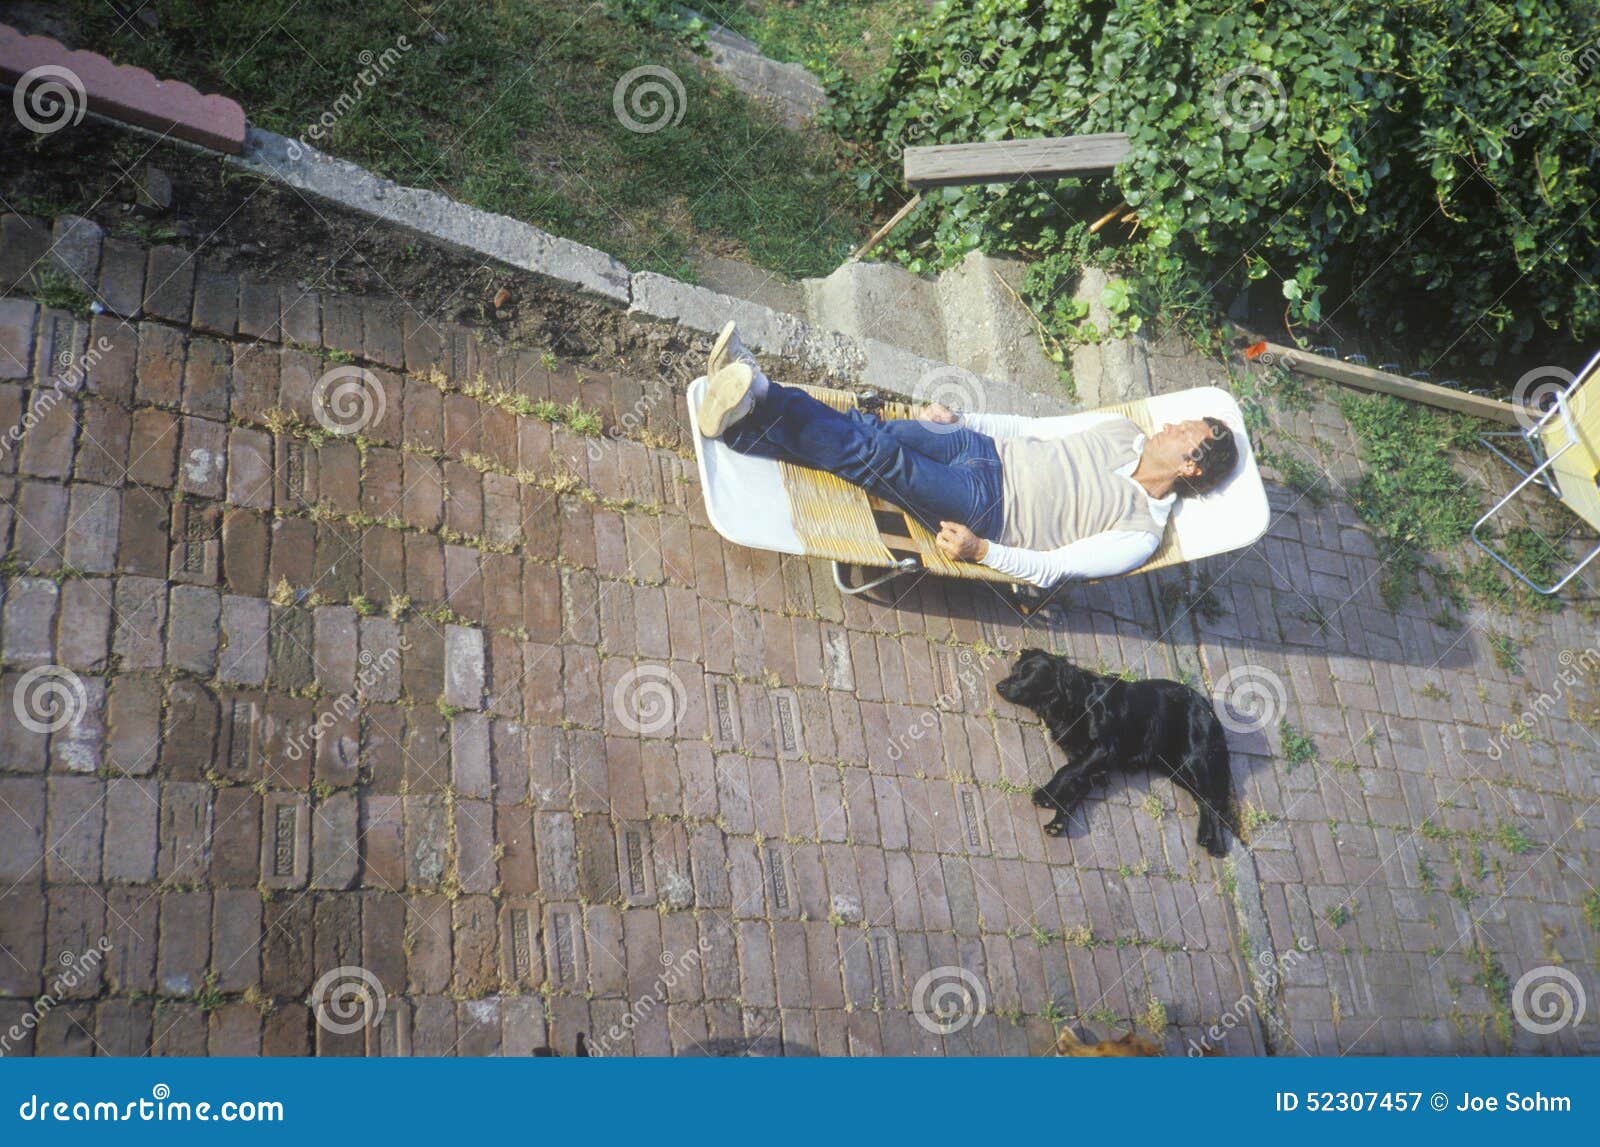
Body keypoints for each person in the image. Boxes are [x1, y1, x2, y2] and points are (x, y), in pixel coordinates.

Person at [697, 322, 1240, 588]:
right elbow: (1037, 428)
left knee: (876, 453)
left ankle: (760, 392)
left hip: (986, 508)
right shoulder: (1124, 430)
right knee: (867, 429)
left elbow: (1053, 570)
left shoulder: (1140, 533)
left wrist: (983, 552)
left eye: (1181, 430)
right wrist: (966, 421)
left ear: (1191, 465)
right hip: (980, 447)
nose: (1167, 424)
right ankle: (743, 429)